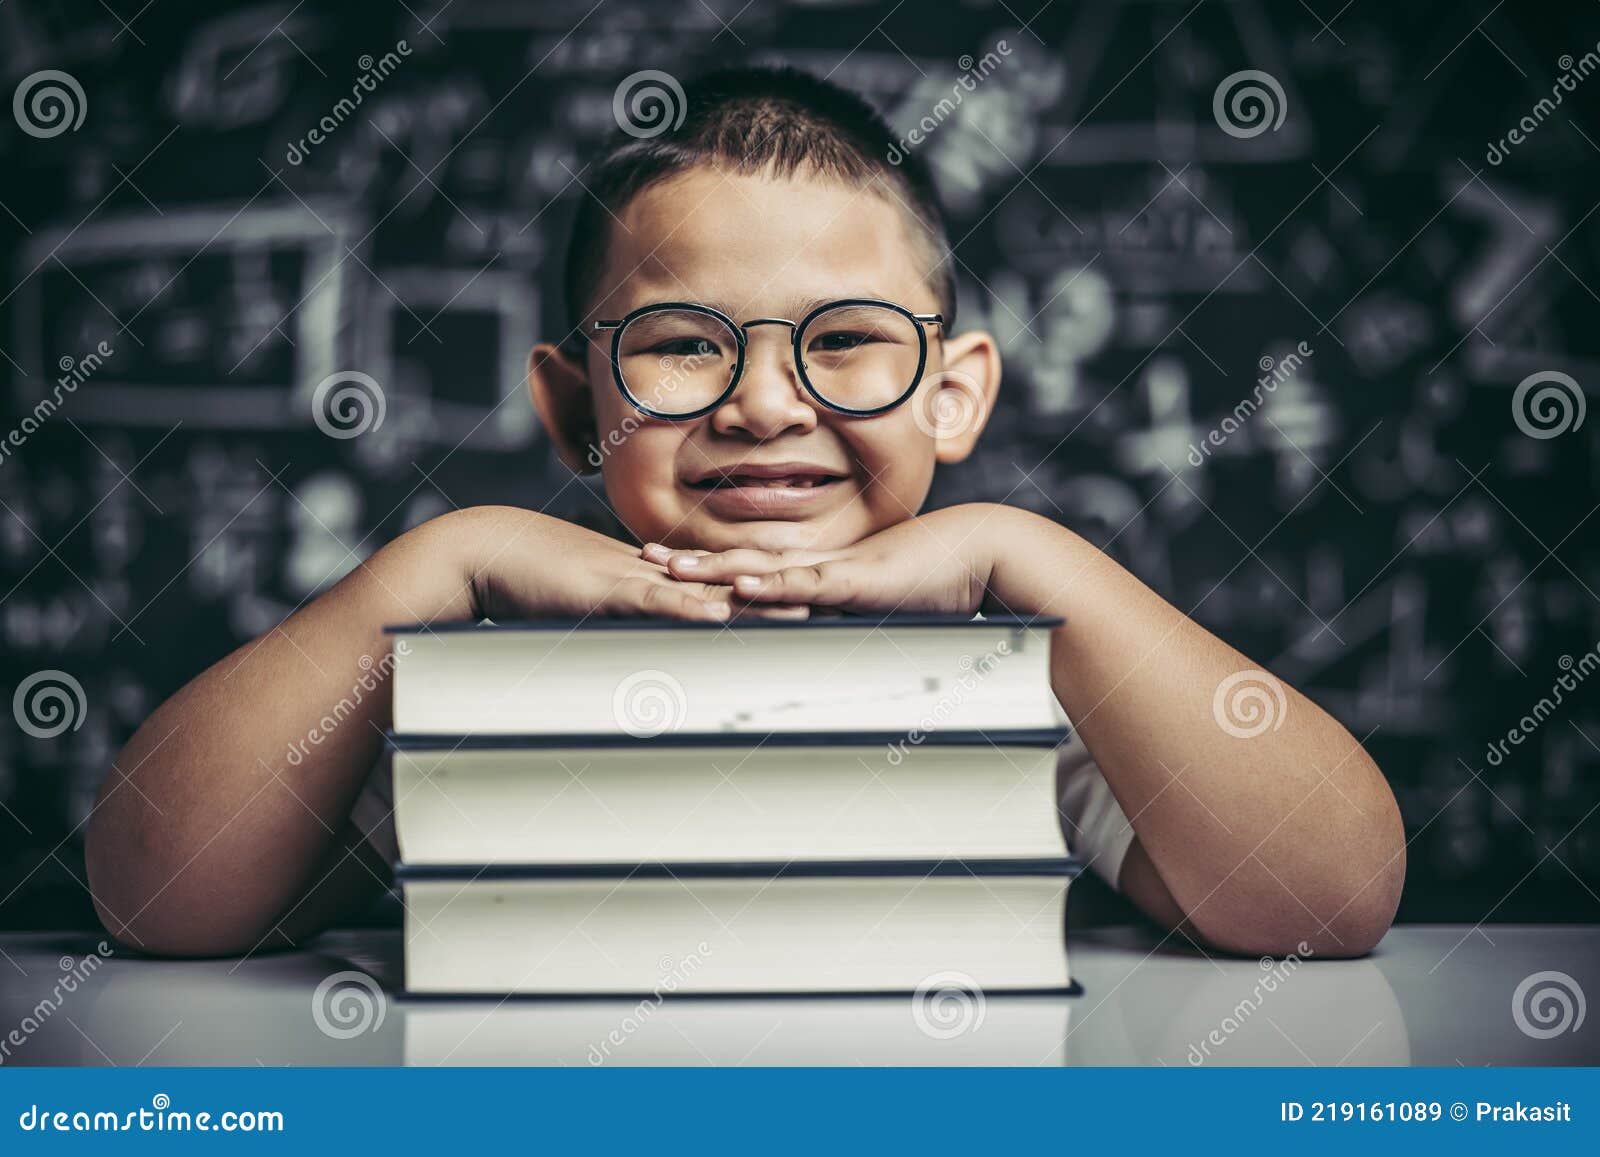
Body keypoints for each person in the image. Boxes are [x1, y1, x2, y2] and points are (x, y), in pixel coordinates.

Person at [85, 67, 1404, 960]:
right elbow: (155, 895)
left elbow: (1334, 898)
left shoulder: (1023, 688)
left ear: (954, 399)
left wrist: (1034, 559)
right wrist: (430, 566)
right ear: (569, 403)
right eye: (676, 344)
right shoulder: (482, 691)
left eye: (845, 341)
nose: (764, 404)